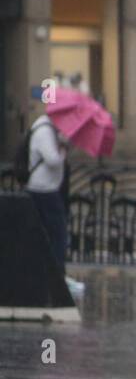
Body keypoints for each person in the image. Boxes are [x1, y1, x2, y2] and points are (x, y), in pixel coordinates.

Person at [24, 111, 72, 284]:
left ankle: (48, 272)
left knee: (48, 232)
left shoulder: (49, 129)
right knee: (58, 233)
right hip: (44, 190)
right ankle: (57, 274)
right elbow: (52, 159)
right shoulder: (44, 130)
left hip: (47, 189)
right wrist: (63, 147)